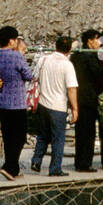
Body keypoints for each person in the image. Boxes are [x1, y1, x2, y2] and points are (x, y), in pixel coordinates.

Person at [0, 26, 33, 180]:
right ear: (11, 40)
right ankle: (8, 166)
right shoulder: (17, 56)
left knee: (8, 137)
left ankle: (13, 168)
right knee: (20, 136)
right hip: (17, 103)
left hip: (3, 102)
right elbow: (29, 75)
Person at [29, 36, 77, 176]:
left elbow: (34, 77)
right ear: (69, 49)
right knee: (58, 138)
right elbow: (71, 89)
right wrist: (75, 108)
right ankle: (55, 168)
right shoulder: (67, 65)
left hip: (43, 104)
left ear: (55, 46)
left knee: (42, 135)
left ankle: (36, 161)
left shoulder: (44, 60)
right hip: (58, 106)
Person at [70, 29, 103, 172]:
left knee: (81, 132)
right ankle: (84, 164)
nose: (99, 42)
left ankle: (80, 161)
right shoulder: (89, 56)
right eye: (96, 39)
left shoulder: (77, 55)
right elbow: (97, 72)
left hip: (78, 96)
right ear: (89, 41)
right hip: (88, 98)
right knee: (88, 133)